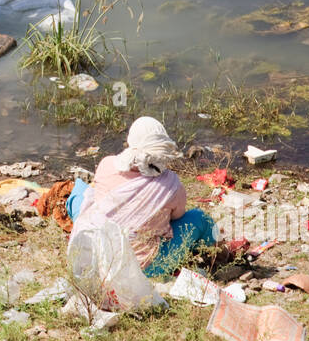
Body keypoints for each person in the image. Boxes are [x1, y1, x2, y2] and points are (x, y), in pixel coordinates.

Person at [68, 116, 218, 278]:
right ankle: (213, 249)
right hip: (145, 267)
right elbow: (177, 216)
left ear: (131, 141)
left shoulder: (107, 163)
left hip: (98, 255)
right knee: (199, 217)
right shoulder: (171, 184)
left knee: (80, 192)